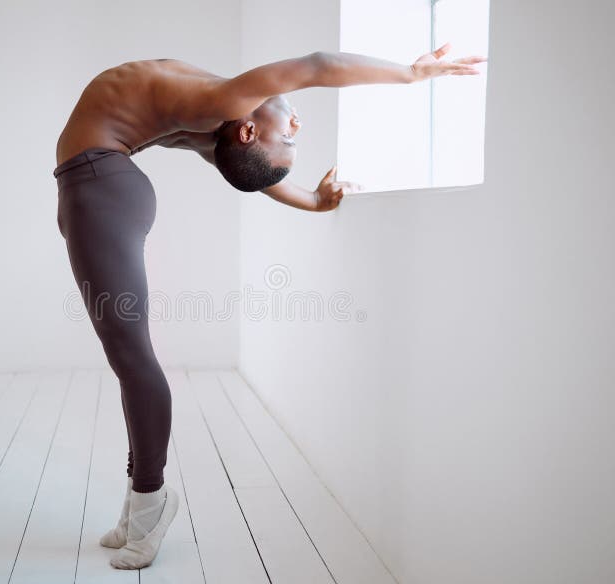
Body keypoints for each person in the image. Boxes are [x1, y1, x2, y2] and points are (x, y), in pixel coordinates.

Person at [52, 42, 486, 570]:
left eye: (290, 139)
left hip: (100, 184)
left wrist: (316, 197)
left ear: (249, 129)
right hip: (100, 182)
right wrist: (410, 74)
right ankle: (137, 506)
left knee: (134, 362)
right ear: (248, 129)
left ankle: (150, 501)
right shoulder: (216, 112)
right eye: (292, 139)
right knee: (131, 362)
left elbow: (260, 148)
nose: (297, 126)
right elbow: (316, 70)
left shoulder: (222, 105)